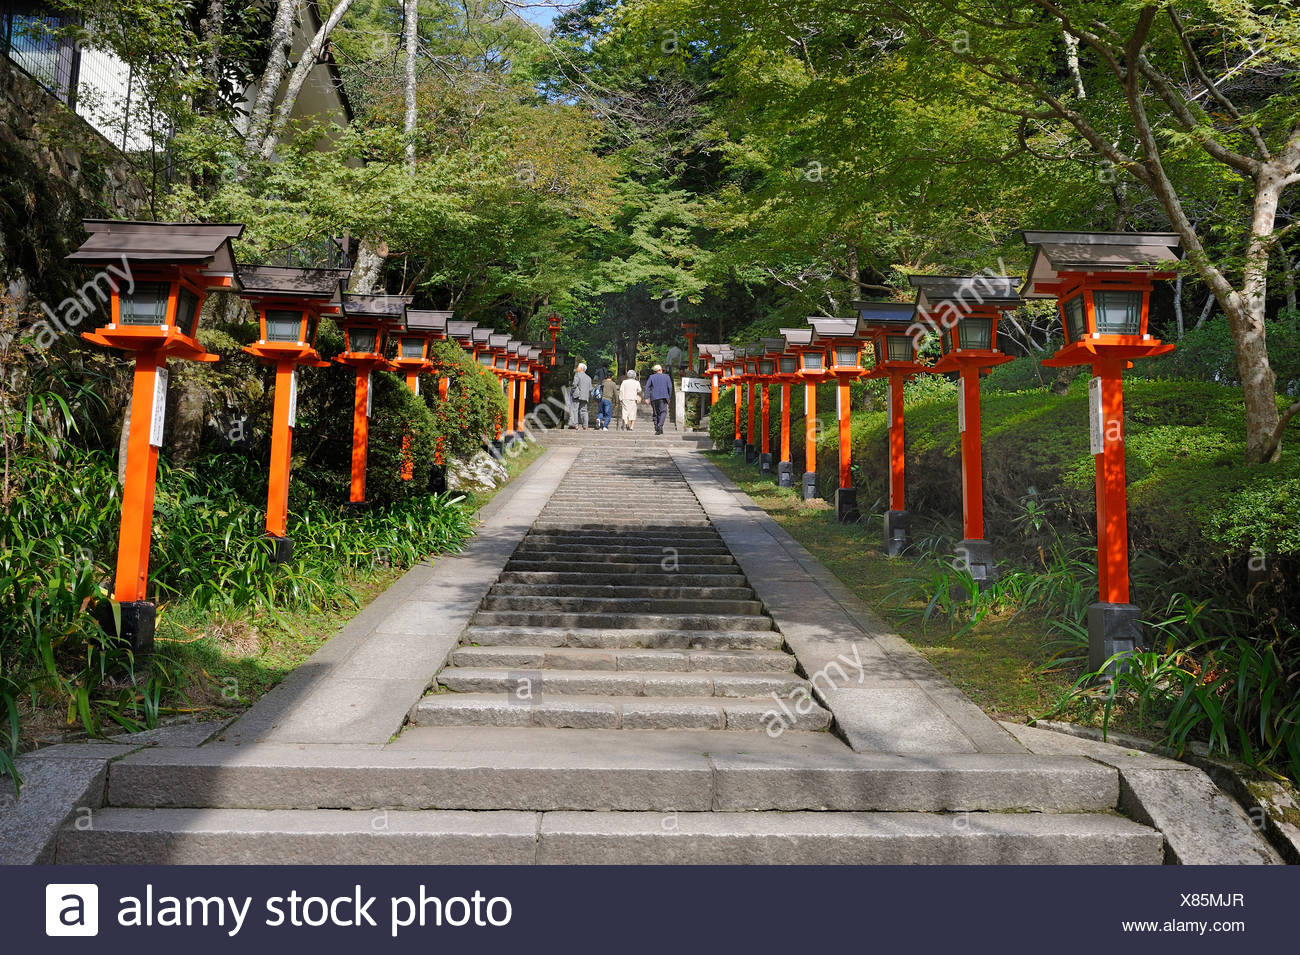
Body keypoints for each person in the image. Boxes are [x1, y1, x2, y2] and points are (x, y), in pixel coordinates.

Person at [644, 363, 674, 436]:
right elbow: (670, 387)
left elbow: (647, 387)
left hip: (654, 397)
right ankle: (660, 426)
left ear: (655, 371)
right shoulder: (666, 377)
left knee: (656, 412)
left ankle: (657, 427)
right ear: (661, 370)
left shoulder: (651, 377)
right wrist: (669, 397)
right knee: (663, 412)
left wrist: (646, 397)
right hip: (664, 397)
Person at [569, 362, 592, 429]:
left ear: (581, 368)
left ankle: (575, 425)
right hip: (585, 396)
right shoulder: (589, 378)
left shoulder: (577, 375)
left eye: (578, 367)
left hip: (577, 395)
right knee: (584, 411)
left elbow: (574, 384)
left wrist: (572, 391)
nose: (577, 368)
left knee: (575, 410)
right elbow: (590, 388)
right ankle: (585, 426)